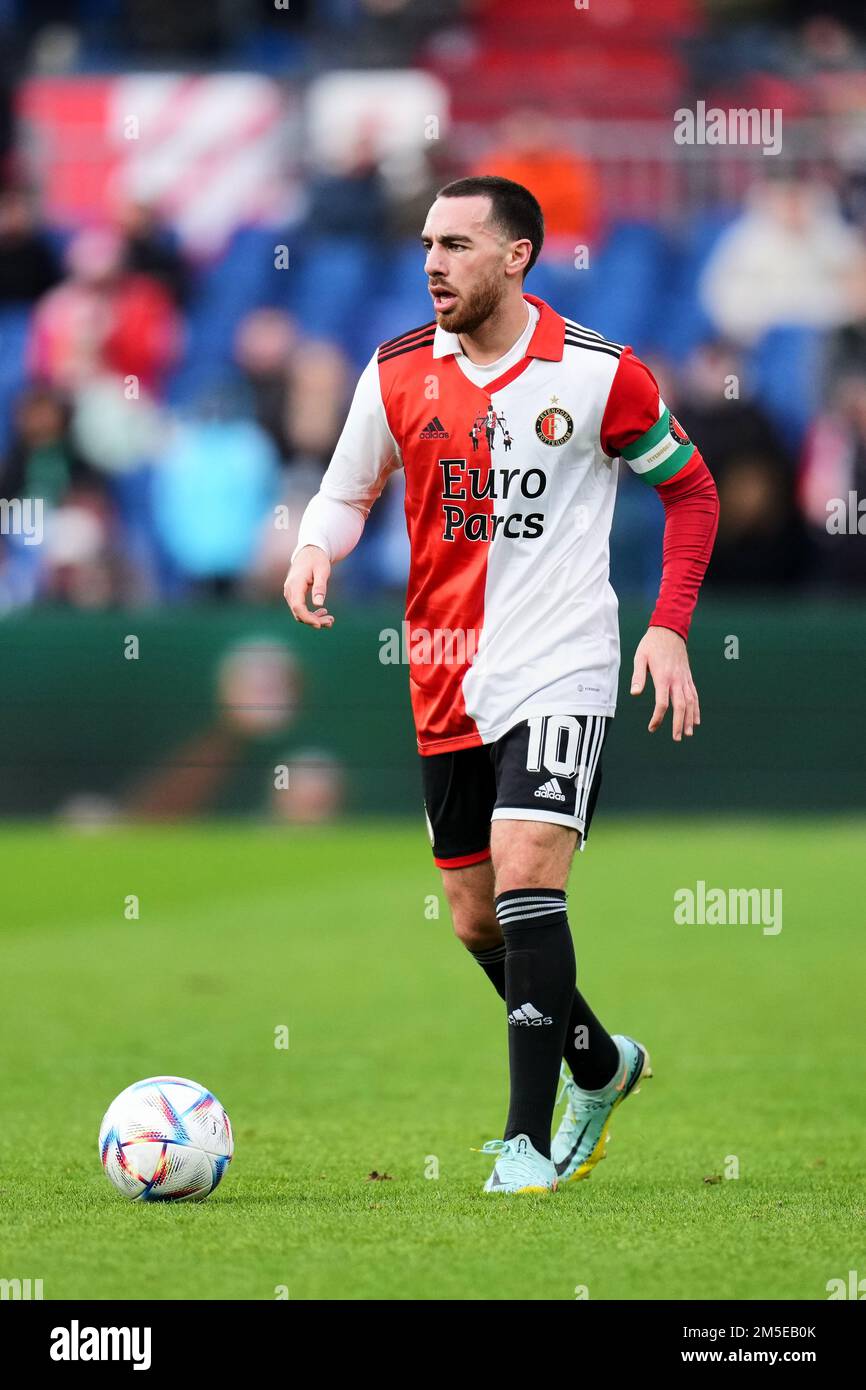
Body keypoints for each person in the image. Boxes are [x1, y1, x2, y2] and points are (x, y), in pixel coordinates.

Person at [284, 175, 719, 1195]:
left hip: (562, 658)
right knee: (476, 919)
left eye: (456, 244)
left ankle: (524, 1143)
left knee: (528, 875)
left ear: (516, 255)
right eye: (426, 243)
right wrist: (314, 544)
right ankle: (599, 1065)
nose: (431, 262)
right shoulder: (393, 372)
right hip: (442, 669)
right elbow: (347, 490)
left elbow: (689, 491)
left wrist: (666, 628)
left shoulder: (596, 373)